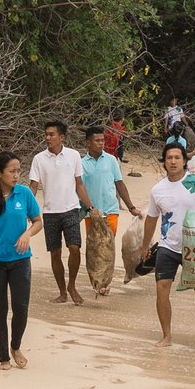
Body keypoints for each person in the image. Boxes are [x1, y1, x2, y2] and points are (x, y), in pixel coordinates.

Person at [141, 141, 195, 347]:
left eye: (177, 157)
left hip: (194, 247)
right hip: (167, 246)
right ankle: (167, 336)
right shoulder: (158, 189)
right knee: (162, 288)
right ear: (164, 162)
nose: (173, 161)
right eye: (169, 158)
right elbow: (151, 219)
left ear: (184, 161)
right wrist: (145, 246)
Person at [0, 150, 41, 369]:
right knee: (0, 310)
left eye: (18, 171)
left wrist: (27, 234)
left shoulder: (24, 193)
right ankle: (4, 358)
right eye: (12, 171)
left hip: (20, 259)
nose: (16, 175)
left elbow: (37, 221)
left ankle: (15, 346)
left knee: (21, 307)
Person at [29, 120, 87, 305]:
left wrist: (90, 207)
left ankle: (72, 285)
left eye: (52, 134)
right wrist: (27, 209)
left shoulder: (74, 155)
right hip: (50, 212)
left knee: (75, 248)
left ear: (62, 137)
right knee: (55, 252)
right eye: (46, 134)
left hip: (71, 209)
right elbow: (33, 186)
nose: (48, 138)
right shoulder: (39, 159)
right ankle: (62, 292)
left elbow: (79, 184)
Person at [79, 125, 138, 298]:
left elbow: (119, 183)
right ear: (88, 142)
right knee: (94, 247)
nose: (101, 143)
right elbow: (78, 187)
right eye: (97, 140)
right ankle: (96, 281)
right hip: (91, 213)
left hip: (111, 210)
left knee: (107, 247)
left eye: (102, 140)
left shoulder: (111, 160)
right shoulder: (81, 163)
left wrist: (131, 207)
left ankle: (105, 283)